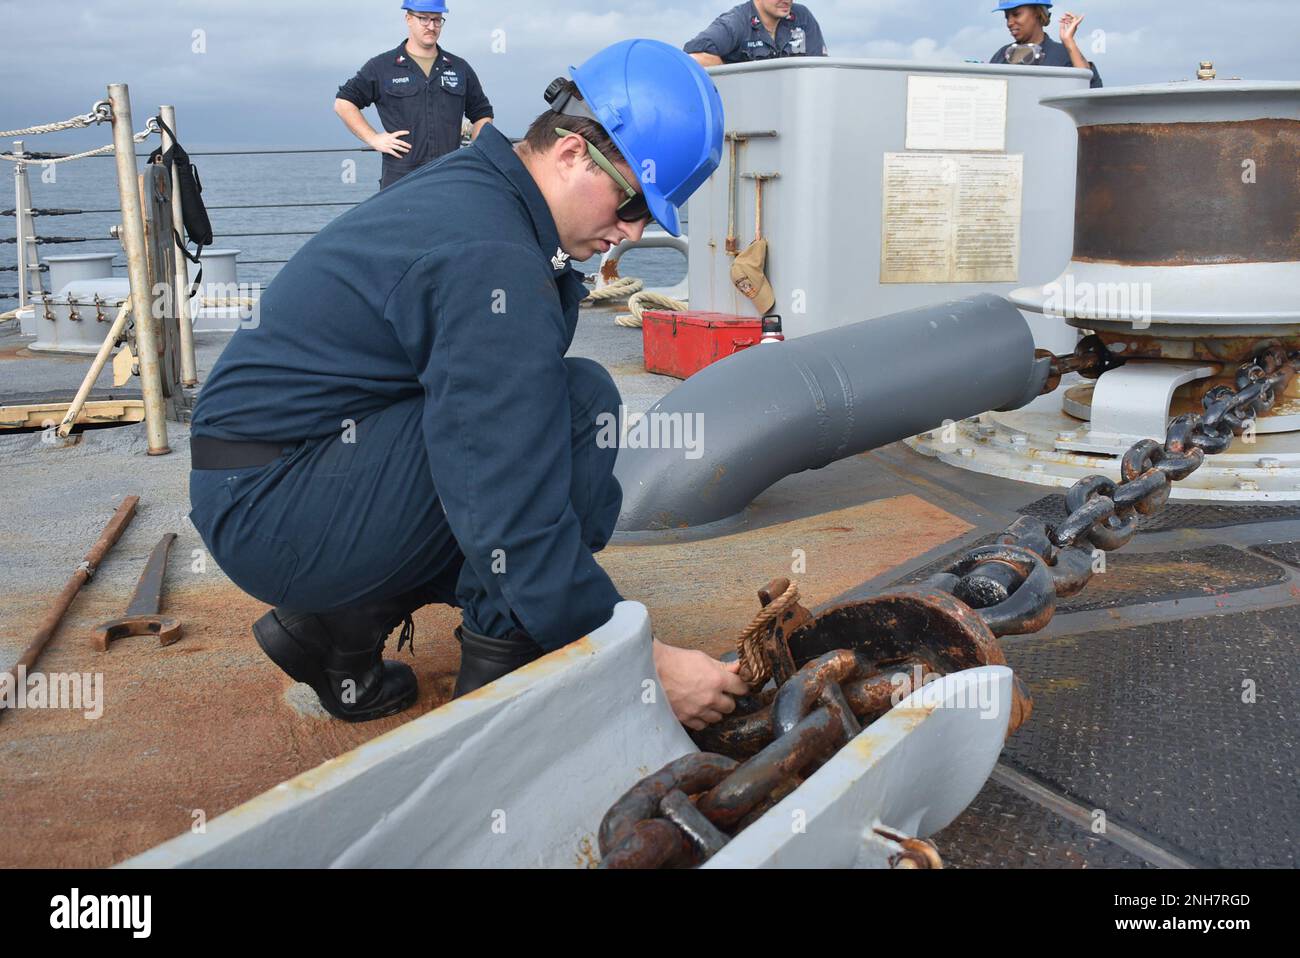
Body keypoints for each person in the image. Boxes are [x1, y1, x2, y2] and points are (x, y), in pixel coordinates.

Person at [189, 39, 749, 729]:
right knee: (575, 412)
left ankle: (334, 630)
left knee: (538, 411)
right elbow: (508, 501)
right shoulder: (490, 253)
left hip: (261, 475)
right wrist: (642, 661)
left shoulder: (480, 192)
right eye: (632, 202)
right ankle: (494, 696)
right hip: (272, 505)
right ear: (573, 151)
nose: (629, 234)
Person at [334, 0, 494, 189]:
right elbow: (344, 103)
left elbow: (482, 113)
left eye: (436, 20)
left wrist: (475, 152)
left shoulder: (459, 68)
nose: (431, 26)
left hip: (449, 177)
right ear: (408, 19)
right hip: (400, 181)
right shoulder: (382, 67)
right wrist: (373, 138)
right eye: (423, 19)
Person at [988, 2, 1102, 88]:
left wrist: (1069, 42)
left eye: (1016, 14)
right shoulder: (1001, 56)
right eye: (1007, 17)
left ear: (1038, 12)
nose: (1009, 23)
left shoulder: (1063, 55)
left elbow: (1090, 92)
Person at [685, 0, 828, 66]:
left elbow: (821, 69)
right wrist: (729, 74)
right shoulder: (735, 22)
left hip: (792, 112)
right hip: (746, 116)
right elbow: (693, 57)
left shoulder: (802, 18)